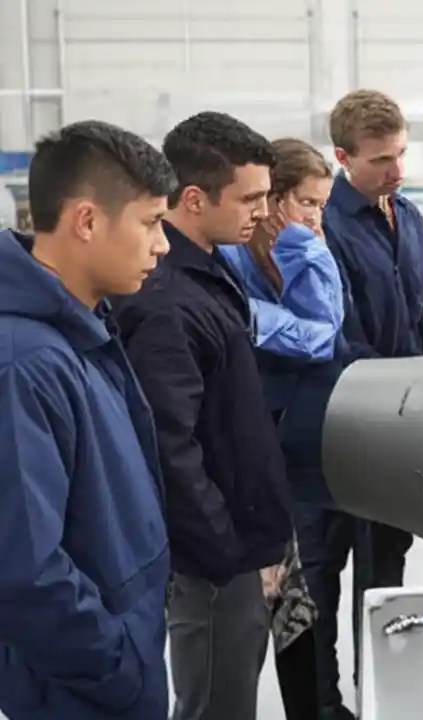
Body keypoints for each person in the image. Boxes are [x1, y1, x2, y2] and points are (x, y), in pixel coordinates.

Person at [112, 111, 294, 720]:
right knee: (217, 705)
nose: (264, 212)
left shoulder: (211, 273)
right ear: (192, 198)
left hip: (240, 550)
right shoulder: (166, 300)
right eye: (251, 198)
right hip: (217, 564)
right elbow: (169, 444)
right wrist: (225, 552)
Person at [0, 120, 175, 720]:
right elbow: (25, 573)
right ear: (86, 221)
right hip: (83, 694)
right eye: (151, 222)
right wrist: (119, 668)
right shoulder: (27, 364)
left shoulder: (82, 330)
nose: (163, 244)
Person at [218, 137, 343, 720]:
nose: (318, 217)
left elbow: (323, 333)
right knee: (242, 615)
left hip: (292, 448)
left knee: (297, 605)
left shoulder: (301, 248)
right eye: (308, 204)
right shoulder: (231, 254)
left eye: (323, 204)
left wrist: (300, 246)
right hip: (238, 453)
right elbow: (236, 321)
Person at [320, 87, 423, 713]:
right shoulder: (328, 226)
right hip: (350, 424)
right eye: (382, 160)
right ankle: (329, 704)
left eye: (402, 155)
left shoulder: (408, 217)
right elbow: (343, 337)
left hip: (405, 426)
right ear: (343, 157)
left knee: (388, 571)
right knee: (330, 579)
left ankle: (380, 699)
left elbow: (417, 314)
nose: (397, 170)